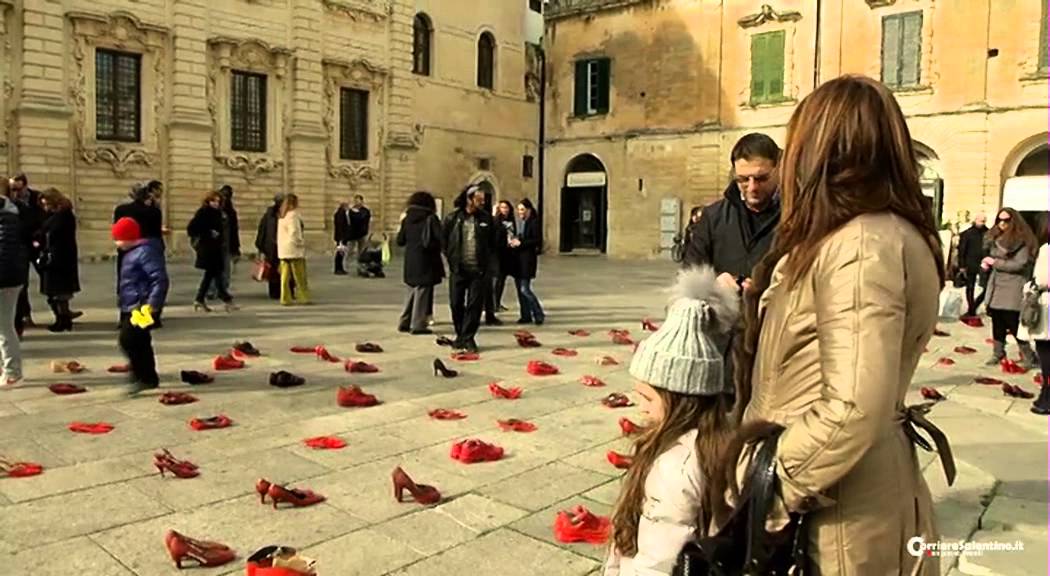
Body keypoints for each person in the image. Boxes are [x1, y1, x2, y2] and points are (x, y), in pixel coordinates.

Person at [734, 76, 950, 575]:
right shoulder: (871, 234)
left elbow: (855, 404)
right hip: (847, 491)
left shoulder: (860, 246)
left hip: (836, 510)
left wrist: (771, 488)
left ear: (822, 151)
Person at [604, 268, 737, 575]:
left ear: (683, 400)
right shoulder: (718, 441)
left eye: (648, 398)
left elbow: (657, 564)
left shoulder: (674, 469)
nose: (641, 409)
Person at [682, 133, 781, 282]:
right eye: (743, 180)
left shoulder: (798, 216)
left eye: (761, 178)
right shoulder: (712, 218)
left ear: (778, 171)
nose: (752, 187)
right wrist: (716, 286)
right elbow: (688, 279)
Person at [113, 217, 169, 395]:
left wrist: (152, 304)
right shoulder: (132, 252)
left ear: (129, 237)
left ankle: (143, 376)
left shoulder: (144, 252)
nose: (116, 243)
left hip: (142, 306)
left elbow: (159, 279)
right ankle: (147, 376)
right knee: (140, 340)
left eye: (118, 238)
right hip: (132, 304)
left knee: (129, 339)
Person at [442, 185, 501, 353]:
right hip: (459, 269)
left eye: (483, 200)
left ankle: (468, 338)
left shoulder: (487, 219)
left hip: (479, 270)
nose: (482, 203)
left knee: (474, 306)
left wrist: (488, 263)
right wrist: (452, 259)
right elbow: (444, 241)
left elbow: (492, 243)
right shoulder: (452, 218)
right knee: (456, 304)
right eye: (478, 200)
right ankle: (461, 335)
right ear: (469, 199)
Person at [982, 207, 1039, 369]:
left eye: (1006, 220)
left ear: (1013, 221)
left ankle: (1028, 355)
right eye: (999, 220)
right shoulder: (995, 237)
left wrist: (996, 263)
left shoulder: (1022, 240)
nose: (1002, 223)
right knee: (997, 321)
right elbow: (993, 258)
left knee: (1013, 323)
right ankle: (998, 352)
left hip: (1013, 286)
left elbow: (1019, 264)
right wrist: (987, 263)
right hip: (996, 285)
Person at [114, 181, 167, 326]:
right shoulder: (154, 211)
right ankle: (150, 316)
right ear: (147, 195)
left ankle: (125, 316)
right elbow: (157, 233)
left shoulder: (121, 210)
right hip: (149, 247)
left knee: (126, 282)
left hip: (127, 246)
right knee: (149, 282)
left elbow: (117, 228)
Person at [396, 191, 445, 334]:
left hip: (410, 259)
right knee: (423, 292)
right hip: (427, 259)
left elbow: (400, 240)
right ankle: (418, 325)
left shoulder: (407, 219)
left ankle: (404, 321)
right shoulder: (431, 218)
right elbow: (440, 239)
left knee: (411, 290)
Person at [37, 188, 81, 332]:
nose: (45, 207)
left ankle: (63, 320)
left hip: (59, 258)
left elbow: (53, 234)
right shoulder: (58, 215)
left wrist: (40, 238)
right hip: (58, 257)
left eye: (47, 204)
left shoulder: (63, 216)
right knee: (57, 292)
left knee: (59, 292)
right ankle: (63, 319)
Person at [187, 192, 237, 313]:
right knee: (215, 274)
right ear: (208, 201)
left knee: (211, 275)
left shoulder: (219, 213)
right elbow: (192, 228)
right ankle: (226, 299)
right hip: (208, 248)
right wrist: (209, 232)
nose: (216, 203)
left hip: (217, 248)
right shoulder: (203, 212)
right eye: (213, 201)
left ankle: (200, 299)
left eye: (218, 201)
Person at [1022, 214, 1050, 414]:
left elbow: (1042, 280)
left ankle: (1047, 396)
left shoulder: (1046, 250)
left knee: (1046, 351)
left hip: (1047, 305)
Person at [0, 183, 27, 387]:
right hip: (12, 276)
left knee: (4, 326)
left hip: (5, 279)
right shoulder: (12, 213)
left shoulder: (6, 218)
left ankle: (12, 372)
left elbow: (5, 253)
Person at [9, 174, 43, 330]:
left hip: (35, 243)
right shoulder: (11, 204)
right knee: (22, 284)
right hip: (20, 247)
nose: (15, 192)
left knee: (48, 277)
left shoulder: (35, 198)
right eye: (12, 189)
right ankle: (25, 315)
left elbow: (40, 218)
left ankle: (62, 310)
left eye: (18, 188)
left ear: (25, 186)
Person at [510, 199, 546, 325]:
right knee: (520, 291)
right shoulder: (520, 222)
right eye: (518, 210)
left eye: (522, 210)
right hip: (517, 261)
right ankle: (525, 316)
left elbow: (537, 240)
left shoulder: (534, 222)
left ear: (528, 210)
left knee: (525, 289)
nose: (520, 212)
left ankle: (538, 313)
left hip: (527, 260)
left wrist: (521, 243)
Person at [277, 193, 310, 305]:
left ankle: (285, 298)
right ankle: (303, 297)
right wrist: (300, 243)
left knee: (285, 277)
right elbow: (294, 232)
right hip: (293, 249)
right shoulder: (293, 215)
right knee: (300, 276)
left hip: (283, 250)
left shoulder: (282, 215)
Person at [209, 185, 240, 299]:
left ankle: (221, 290)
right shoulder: (211, 211)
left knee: (225, 270)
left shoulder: (230, 212)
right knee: (213, 270)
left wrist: (236, 248)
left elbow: (234, 231)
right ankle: (211, 290)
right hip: (213, 245)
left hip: (225, 245)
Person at [957, 213, 989, 318]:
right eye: (980, 221)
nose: (982, 223)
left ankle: (974, 306)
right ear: (975, 220)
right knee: (970, 287)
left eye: (984, 221)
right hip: (970, 263)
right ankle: (971, 309)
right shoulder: (967, 234)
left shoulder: (988, 233)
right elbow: (962, 250)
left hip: (984, 264)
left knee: (987, 287)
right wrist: (962, 265)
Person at [255, 192, 285, 300]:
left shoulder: (283, 214)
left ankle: (281, 291)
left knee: (280, 269)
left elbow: (262, 230)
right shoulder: (270, 214)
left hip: (278, 245)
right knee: (274, 270)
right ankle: (276, 291)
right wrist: (260, 246)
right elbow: (262, 230)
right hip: (273, 247)